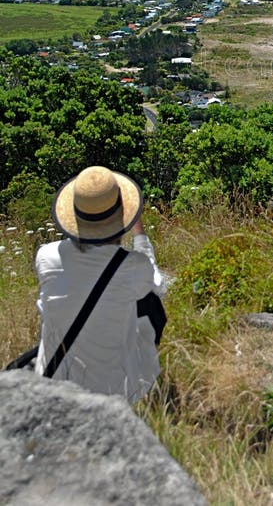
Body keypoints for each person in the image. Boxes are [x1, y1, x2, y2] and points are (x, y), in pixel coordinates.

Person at [34, 165, 166, 404]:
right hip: (115, 392)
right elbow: (158, 286)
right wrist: (139, 234)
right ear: (124, 215)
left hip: (53, 382)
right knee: (151, 304)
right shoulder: (133, 266)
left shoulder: (45, 256)